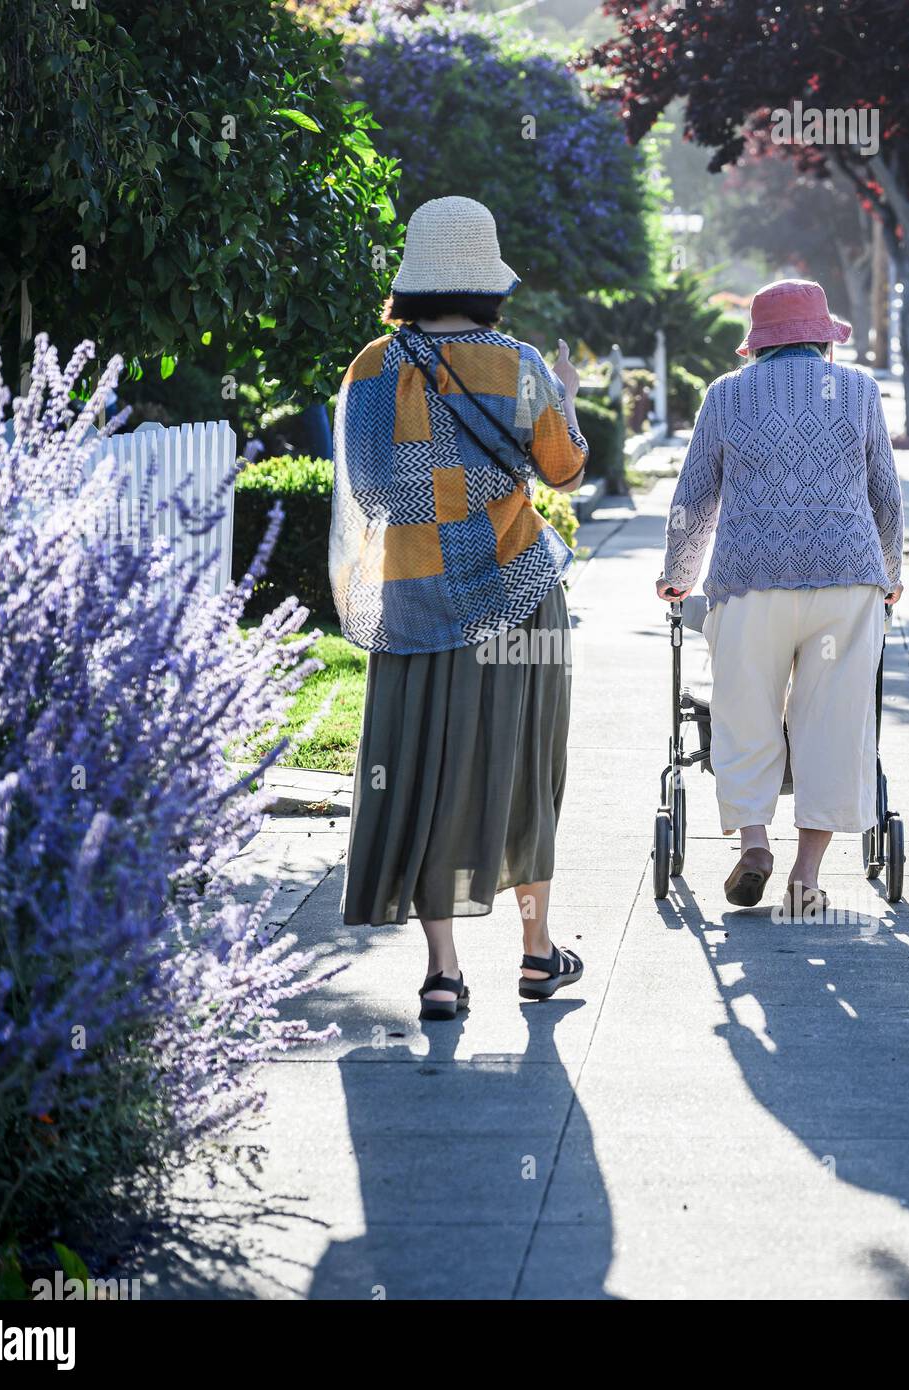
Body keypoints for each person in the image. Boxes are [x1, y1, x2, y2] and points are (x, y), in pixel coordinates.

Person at [330, 196, 588, 1019]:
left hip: (409, 603)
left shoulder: (370, 365)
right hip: (513, 595)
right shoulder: (516, 362)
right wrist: (569, 398)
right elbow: (564, 470)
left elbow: (368, 488)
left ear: (412, 277)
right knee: (523, 770)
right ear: (487, 279)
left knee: (420, 771)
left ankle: (442, 972)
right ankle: (537, 954)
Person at [656, 278, 904, 916]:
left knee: (744, 714)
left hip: (750, 582)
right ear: (824, 338)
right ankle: (806, 874)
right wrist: (892, 571)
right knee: (834, 723)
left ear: (758, 346)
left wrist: (677, 572)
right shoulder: (858, 390)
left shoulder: (727, 395)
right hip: (847, 583)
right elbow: (886, 496)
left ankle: (757, 844)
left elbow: (694, 499)